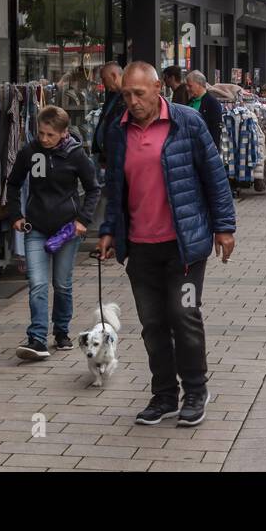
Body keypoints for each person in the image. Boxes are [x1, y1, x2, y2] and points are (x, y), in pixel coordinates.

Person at [96, 62, 236, 426]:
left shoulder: (187, 122)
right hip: (141, 247)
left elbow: (214, 175)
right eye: (126, 94)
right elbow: (115, 187)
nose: (132, 101)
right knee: (153, 322)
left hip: (185, 246)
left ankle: (195, 390)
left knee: (184, 315)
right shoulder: (118, 129)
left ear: (158, 87)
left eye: (138, 93)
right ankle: (163, 395)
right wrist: (109, 229)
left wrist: (224, 227)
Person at [5, 105, 101, 360]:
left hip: (67, 230)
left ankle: (61, 331)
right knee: (37, 283)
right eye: (41, 133)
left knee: (62, 284)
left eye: (50, 135)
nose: (44, 139)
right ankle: (37, 337)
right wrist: (15, 215)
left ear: (63, 132)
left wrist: (83, 220)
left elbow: (93, 189)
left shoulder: (76, 155)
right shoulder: (29, 151)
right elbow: (13, 184)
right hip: (35, 227)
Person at [183, 71, 224, 151]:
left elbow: (215, 131)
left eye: (190, 86)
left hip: (204, 150)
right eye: (186, 86)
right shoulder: (190, 101)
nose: (187, 89)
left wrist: (211, 152)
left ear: (199, 84)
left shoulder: (213, 103)